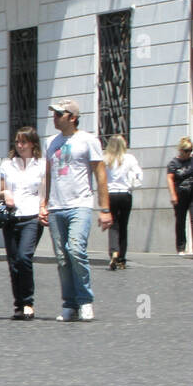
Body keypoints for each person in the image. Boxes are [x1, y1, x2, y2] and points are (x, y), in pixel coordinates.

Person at [38, 100, 111, 321]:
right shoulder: (51, 142)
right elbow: (48, 175)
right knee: (62, 257)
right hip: (57, 205)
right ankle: (69, 303)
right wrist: (43, 203)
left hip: (80, 204)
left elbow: (100, 175)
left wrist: (105, 208)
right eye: (54, 114)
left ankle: (85, 300)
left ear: (72, 117)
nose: (55, 118)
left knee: (76, 250)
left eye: (59, 114)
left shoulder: (88, 140)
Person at [0, 127, 45, 319]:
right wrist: (6, 194)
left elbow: (44, 191)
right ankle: (19, 304)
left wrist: (44, 207)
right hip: (11, 218)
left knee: (24, 257)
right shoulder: (7, 165)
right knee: (13, 263)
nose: (19, 145)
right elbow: (1, 190)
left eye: (24, 142)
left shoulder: (42, 165)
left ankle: (28, 302)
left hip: (32, 217)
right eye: (17, 142)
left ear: (33, 143)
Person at [103, 134, 142, 270]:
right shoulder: (129, 158)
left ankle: (114, 251)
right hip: (125, 194)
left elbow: (101, 178)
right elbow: (139, 174)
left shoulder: (106, 159)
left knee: (113, 225)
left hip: (110, 194)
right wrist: (132, 184)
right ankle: (121, 259)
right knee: (123, 226)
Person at [166, 137, 193, 256]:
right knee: (180, 220)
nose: (189, 153)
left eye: (191, 150)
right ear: (181, 150)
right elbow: (170, 178)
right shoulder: (174, 163)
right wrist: (173, 195)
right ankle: (181, 247)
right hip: (180, 194)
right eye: (187, 150)